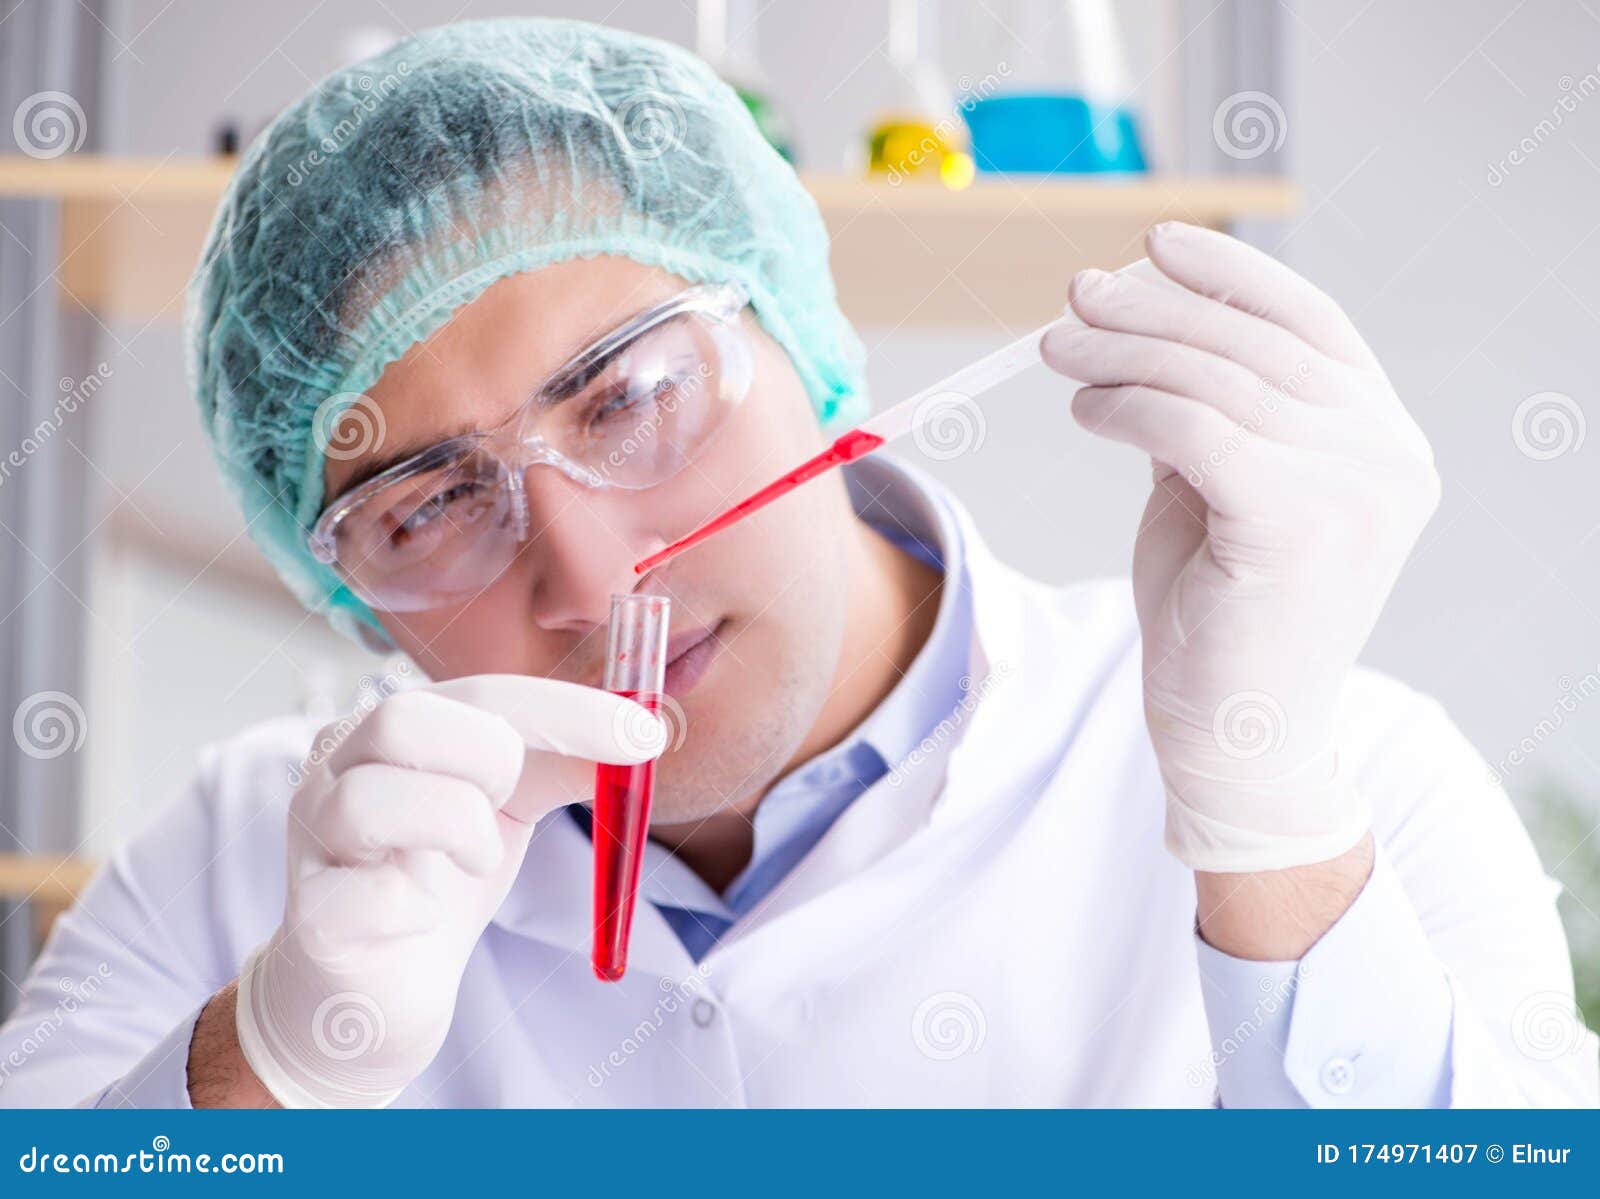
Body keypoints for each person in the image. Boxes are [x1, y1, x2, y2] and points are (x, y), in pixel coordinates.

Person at [1, 17, 1594, 1109]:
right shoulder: (231, 866)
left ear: (808, 353)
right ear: (334, 582)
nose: (585, 572)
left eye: (628, 395)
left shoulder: (1344, 773)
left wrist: (1269, 836)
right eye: (426, 507)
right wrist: (263, 1061)